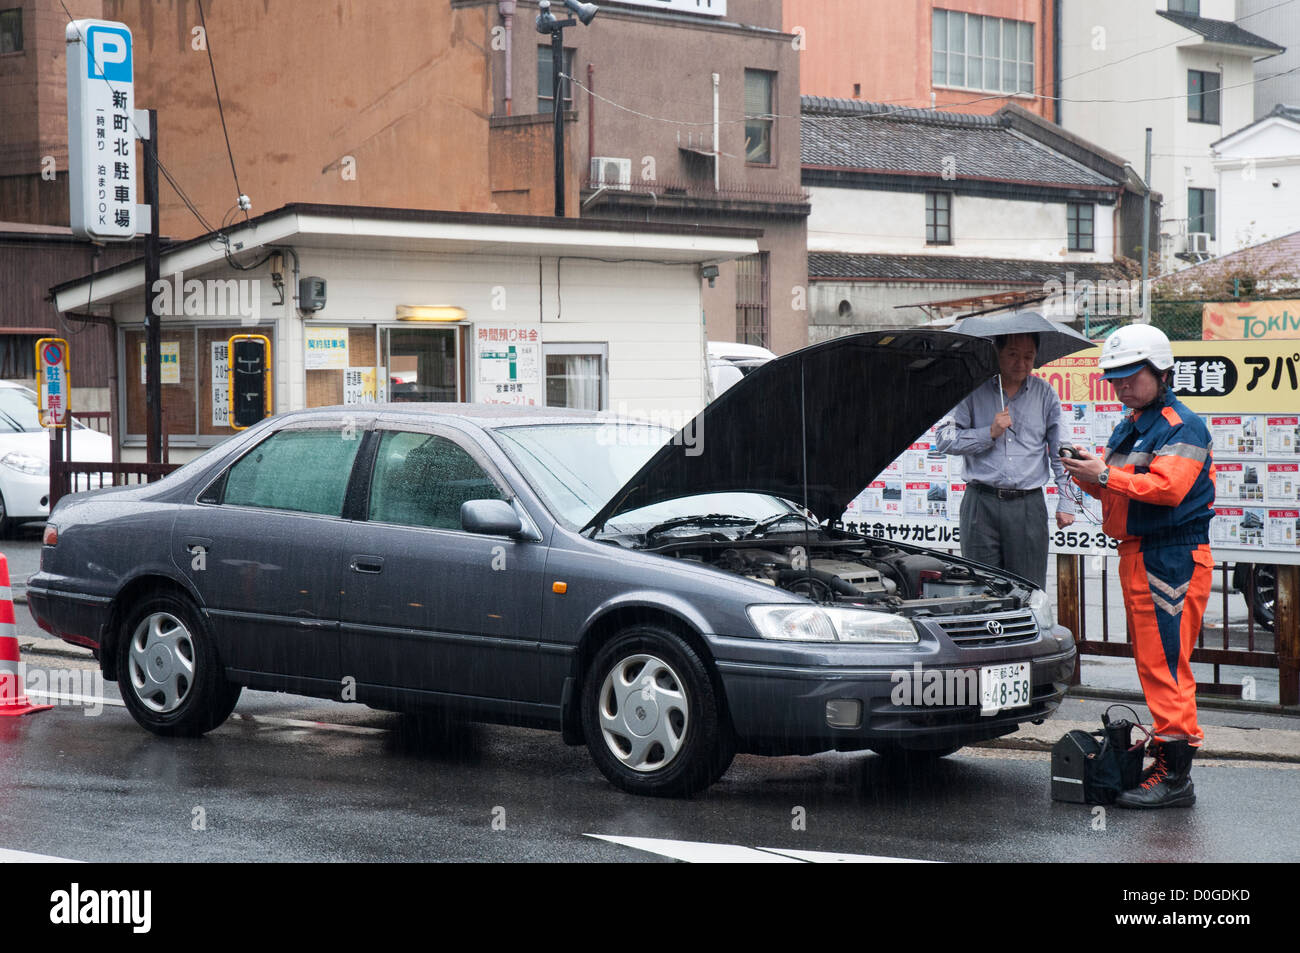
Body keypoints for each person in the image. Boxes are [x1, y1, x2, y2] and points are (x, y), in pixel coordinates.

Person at [1060, 324, 1215, 809]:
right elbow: (1120, 490)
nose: (1123, 385)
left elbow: (1168, 489)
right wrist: (1090, 471)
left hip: (1170, 554)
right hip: (1143, 552)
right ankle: (1170, 766)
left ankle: (1175, 778)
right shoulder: (1134, 422)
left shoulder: (1181, 424)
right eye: (1116, 378)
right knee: (1155, 664)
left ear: (1160, 371)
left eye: (1131, 376)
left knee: (1166, 665)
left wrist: (1103, 472)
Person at [934, 332, 1076, 589]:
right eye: (1012, 354)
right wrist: (989, 432)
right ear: (996, 353)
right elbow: (944, 439)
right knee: (980, 589)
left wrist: (1067, 500)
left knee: (1028, 589)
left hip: (1027, 506)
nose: (1020, 363)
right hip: (980, 503)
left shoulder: (1045, 394)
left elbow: (1061, 452)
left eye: (1028, 356)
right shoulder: (973, 391)